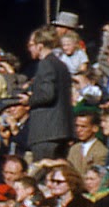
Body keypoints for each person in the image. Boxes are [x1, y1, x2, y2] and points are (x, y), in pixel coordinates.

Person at [24, 27, 73, 162]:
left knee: (45, 173)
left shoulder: (45, 64)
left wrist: (29, 99)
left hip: (46, 131)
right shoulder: (61, 65)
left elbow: (47, 94)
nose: (29, 49)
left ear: (40, 46)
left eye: (31, 45)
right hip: (61, 129)